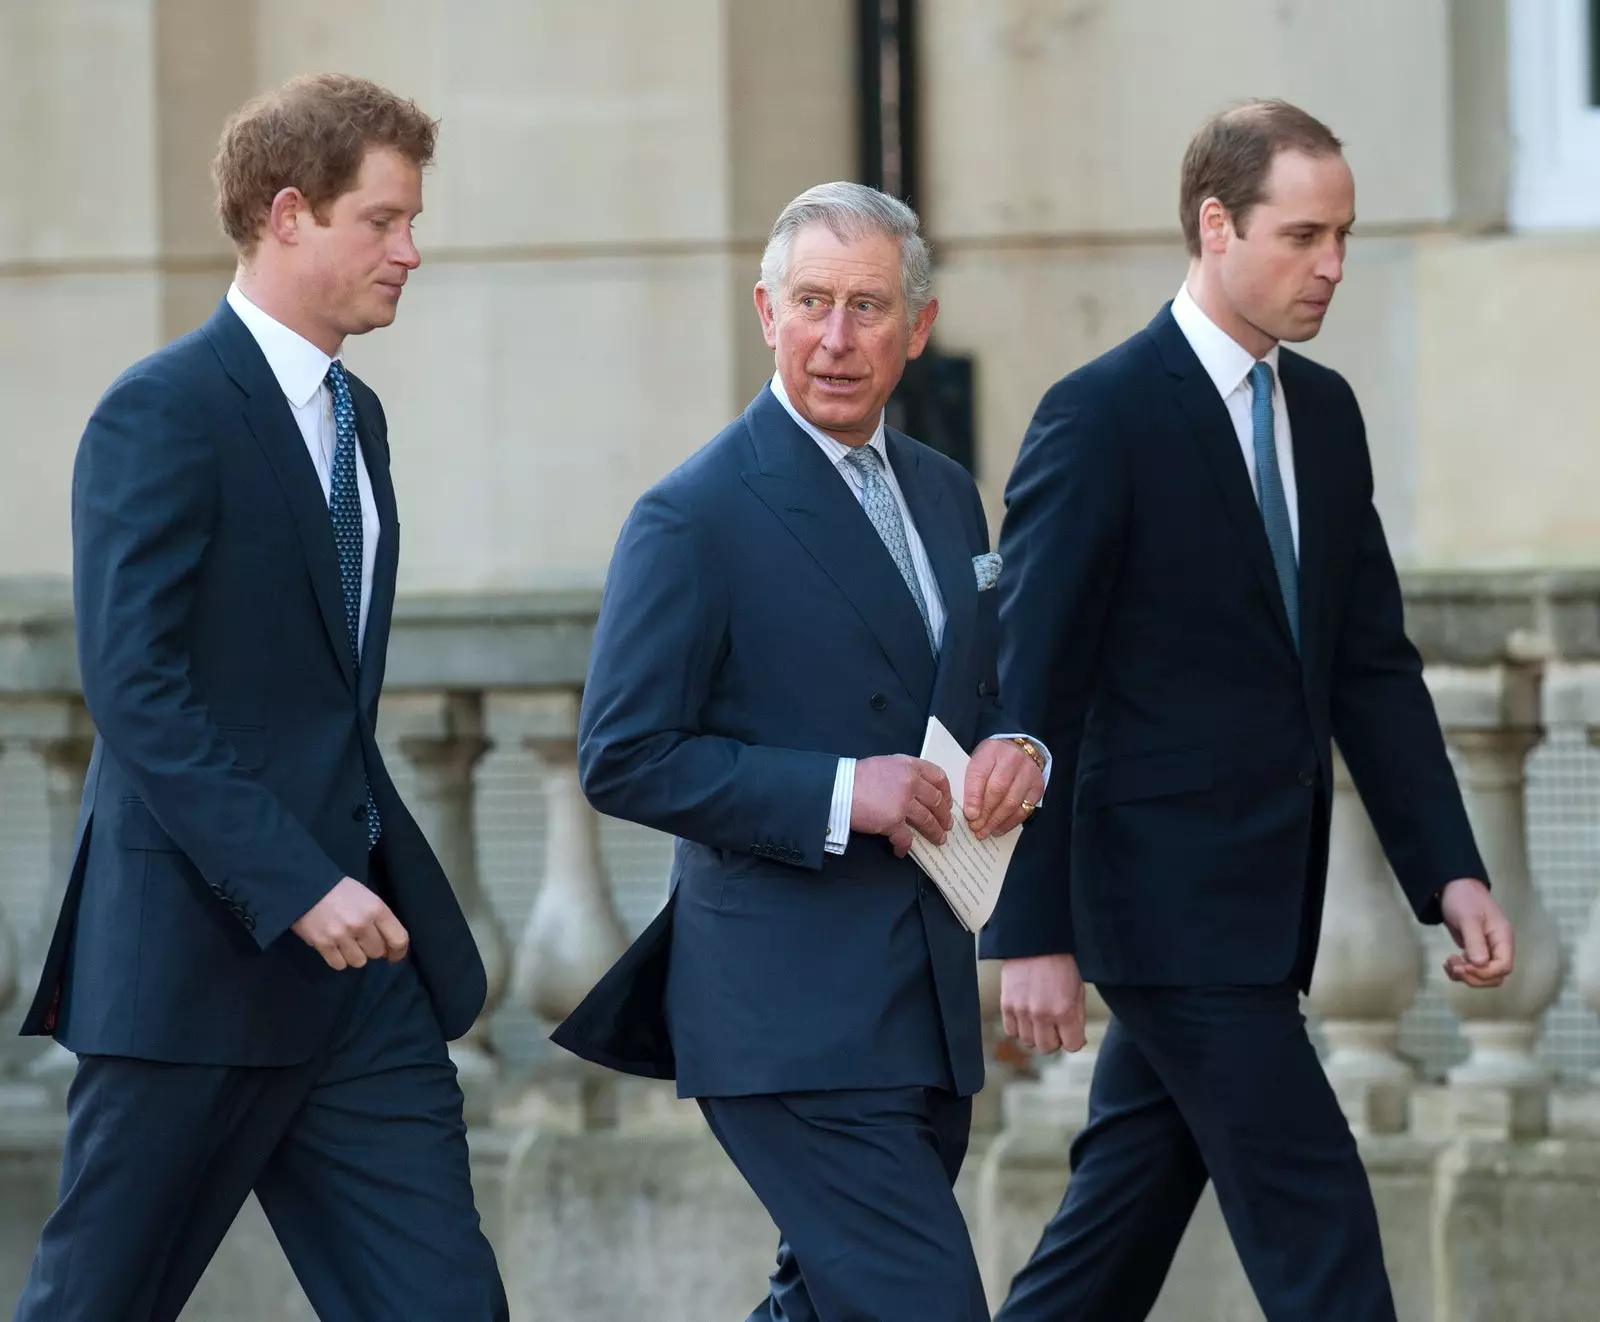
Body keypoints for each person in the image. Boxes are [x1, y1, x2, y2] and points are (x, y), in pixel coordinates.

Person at [981, 100, 1516, 1322]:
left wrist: (1450, 871)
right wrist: (1030, 928)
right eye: (1302, 234)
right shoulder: (1098, 413)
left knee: (1107, 1237)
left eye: (1344, 235)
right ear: (1215, 227)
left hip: (1264, 910)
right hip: (1160, 911)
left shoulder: (1322, 415)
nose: (1330, 264)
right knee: (1319, 1220)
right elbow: (1032, 685)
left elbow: (1370, 666)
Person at [15, 74, 506, 1322]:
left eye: (411, 222)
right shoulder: (161, 411)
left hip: (360, 985)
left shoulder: (360, 420)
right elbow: (136, 687)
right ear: (288, 214)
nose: (410, 250)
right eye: (381, 220)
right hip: (194, 968)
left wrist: (344, 890)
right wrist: (294, 883)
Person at [553, 181, 1048, 1321]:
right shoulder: (692, 514)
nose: (836, 338)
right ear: (766, 311)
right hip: (789, 1019)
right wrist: (841, 791)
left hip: (922, 1004)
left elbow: (982, 689)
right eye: (812, 302)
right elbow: (623, 753)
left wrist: (1021, 744)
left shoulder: (943, 492)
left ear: (915, 329)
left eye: (868, 307)